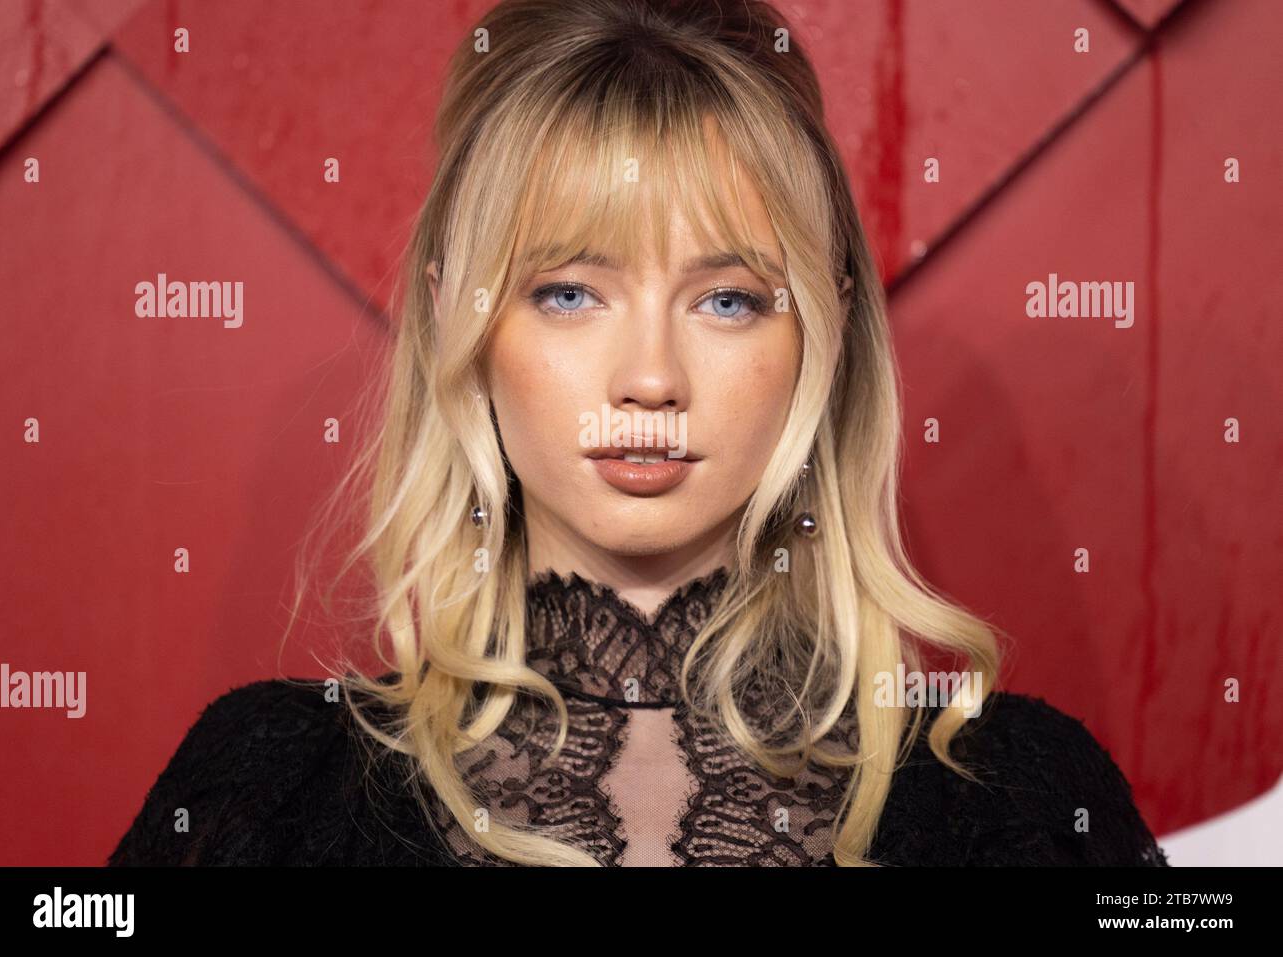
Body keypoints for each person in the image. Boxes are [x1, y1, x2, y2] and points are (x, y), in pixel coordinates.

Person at [109, 0, 1168, 867]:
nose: (649, 378)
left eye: (729, 300)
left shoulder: (1027, 799)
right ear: (456, 321)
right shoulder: (264, 790)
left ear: (827, 331)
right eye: (569, 293)